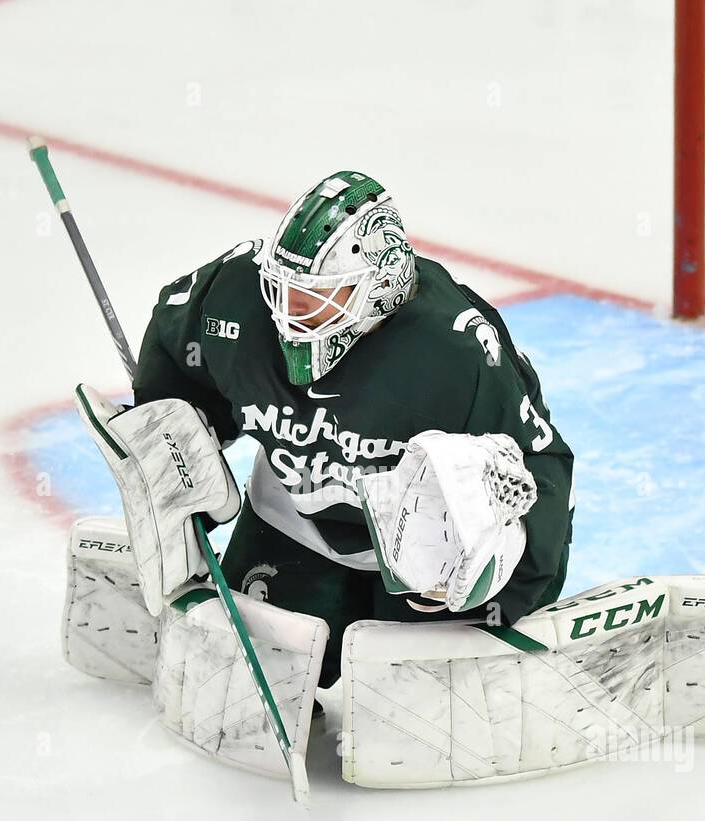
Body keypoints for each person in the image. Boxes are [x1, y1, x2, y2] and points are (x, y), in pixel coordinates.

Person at [130, 170, 574, 687]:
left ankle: (435, 632)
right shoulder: (233, 296)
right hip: (295, 518)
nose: (289, 314)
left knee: (413, 700)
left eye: (319, 295)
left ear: (379, 288)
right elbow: (177, 360)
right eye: (283, 288)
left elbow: (538, 468)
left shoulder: (456, 352)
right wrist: (176, 446)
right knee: (252, 678)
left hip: (424, 557)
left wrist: (505, 596)